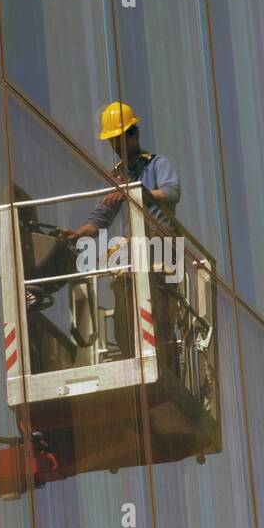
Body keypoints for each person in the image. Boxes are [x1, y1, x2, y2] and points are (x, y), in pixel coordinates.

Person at [61, 102, 181, 362]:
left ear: (133, 135)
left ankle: (164, 363)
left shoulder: (157, 164)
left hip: (159, 251)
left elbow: (171, 193)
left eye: (119, 139)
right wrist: (78, 233)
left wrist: (135, 192)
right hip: (132, 257)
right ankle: (133, 360)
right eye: (111, 141)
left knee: (158, 315)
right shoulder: (115, 177)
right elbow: (100, 218)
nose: (115, 146)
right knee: (125, 320)